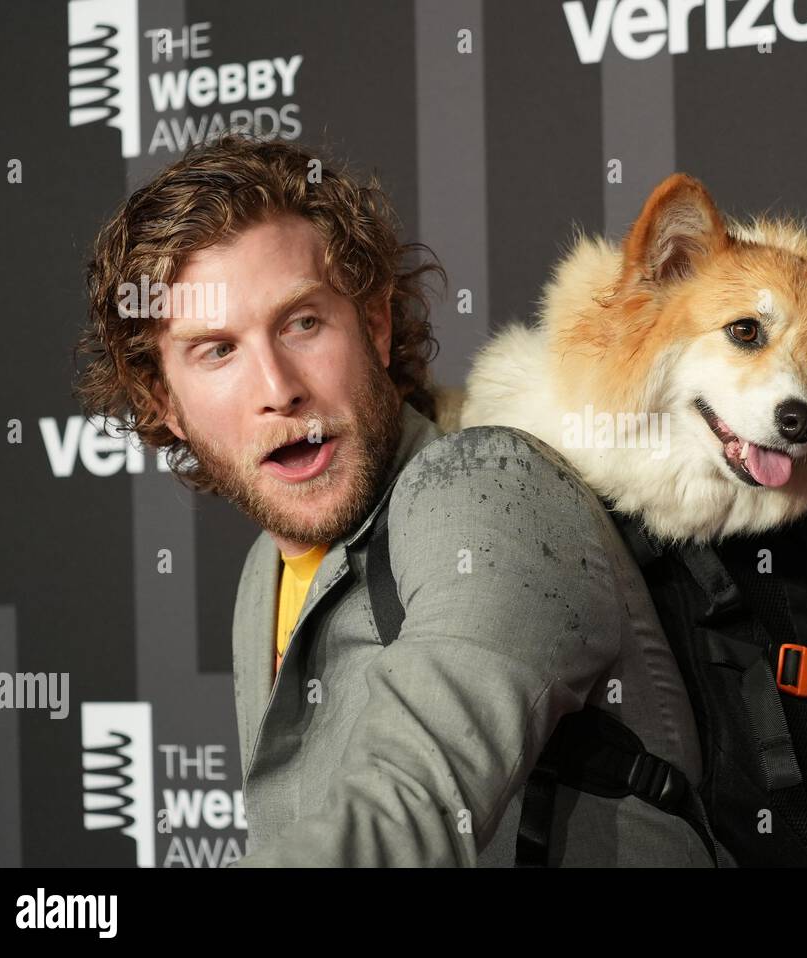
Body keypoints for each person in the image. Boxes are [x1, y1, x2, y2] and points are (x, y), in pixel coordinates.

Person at [74, 132, 715, 867]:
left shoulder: (487, 487)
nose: (277, 388)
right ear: (165, 404)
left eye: (302, 322)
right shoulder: (266, 571)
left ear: (374, 327)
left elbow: (407, 807)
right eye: (217, 350)